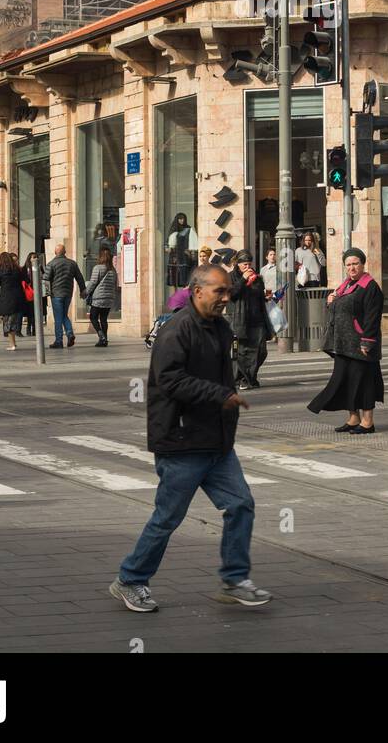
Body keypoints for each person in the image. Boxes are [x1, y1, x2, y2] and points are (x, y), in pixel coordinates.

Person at [109, 263, 270, 612]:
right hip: (181, 441)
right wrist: (221, 396)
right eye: (219, 291)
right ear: (198, 291)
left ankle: (234, 578)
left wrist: (226, 405)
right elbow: (169, 380)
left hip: (217, 441)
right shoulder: (176, 331)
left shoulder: (220, 327)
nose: (226, 298)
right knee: (168, 517)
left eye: (228, 291)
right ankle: (131, 578)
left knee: (241, 504)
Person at [308, 248, 384, 434]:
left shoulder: (370, 286)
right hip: (343, 344)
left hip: (360, 344)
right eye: (348, 264)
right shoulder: (346, 286)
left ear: (363, 264)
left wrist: (367, 342)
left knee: (365, 383)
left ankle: (368, 422)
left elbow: (372, 317)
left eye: (355, 263)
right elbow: (339, 310)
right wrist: (331, 301)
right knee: (346, 382)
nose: (352, 267)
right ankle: (353, 418)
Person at [227, 251, 274, 390]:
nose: (247, 267)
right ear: (238, 264)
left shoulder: (257, 277)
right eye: (244, 264)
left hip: (258, 318)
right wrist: (243, 279)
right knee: (244, 352)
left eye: (249, 264)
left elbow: (259, 295)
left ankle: (248, 377)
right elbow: (232, 295)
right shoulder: (232, 277)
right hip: (241, 319)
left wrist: (266, 297)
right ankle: (245, 379)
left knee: (261, 351)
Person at [43, 243, 87, 349]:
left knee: (58, 317)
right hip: (68, 293)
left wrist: (45, 293)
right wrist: (83, 290)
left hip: (56, 294)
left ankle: (59, 340)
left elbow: (46, 279)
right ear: (65, 252)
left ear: (55, 252)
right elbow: (79, 278)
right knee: (64, 315)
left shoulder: (51, 264)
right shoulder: (72, 263)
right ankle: (69, 333)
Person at [0, 252, 27, 352]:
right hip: (19, 299)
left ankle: (12, 344)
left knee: (8, 322)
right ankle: (13, 343)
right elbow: (26, 279)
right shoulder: (17, 270)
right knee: (12, 321)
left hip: (7, 299)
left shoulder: (0, 271)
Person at [86, 246, 118, 348]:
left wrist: (85, 292)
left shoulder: (97, 268)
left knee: (93, 317)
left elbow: (93, 282)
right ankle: (105, 340)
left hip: (98, 298)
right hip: (109, 298)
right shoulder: (113, 270)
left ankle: (101, 336)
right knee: (104, 319)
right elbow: (115, 285)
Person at [166, 213, 198, 290]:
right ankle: (175, 295)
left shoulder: (189, 230)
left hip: (184, 257)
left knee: (184, 279)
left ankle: (184, 295)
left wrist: (191, 252)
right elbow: (167, 244)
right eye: (180, 218)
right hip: (173, 258)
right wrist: (168, 248)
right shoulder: (172, 230)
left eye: (183, 218)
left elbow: (193, 245)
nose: (182, 220)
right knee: (174, 278)